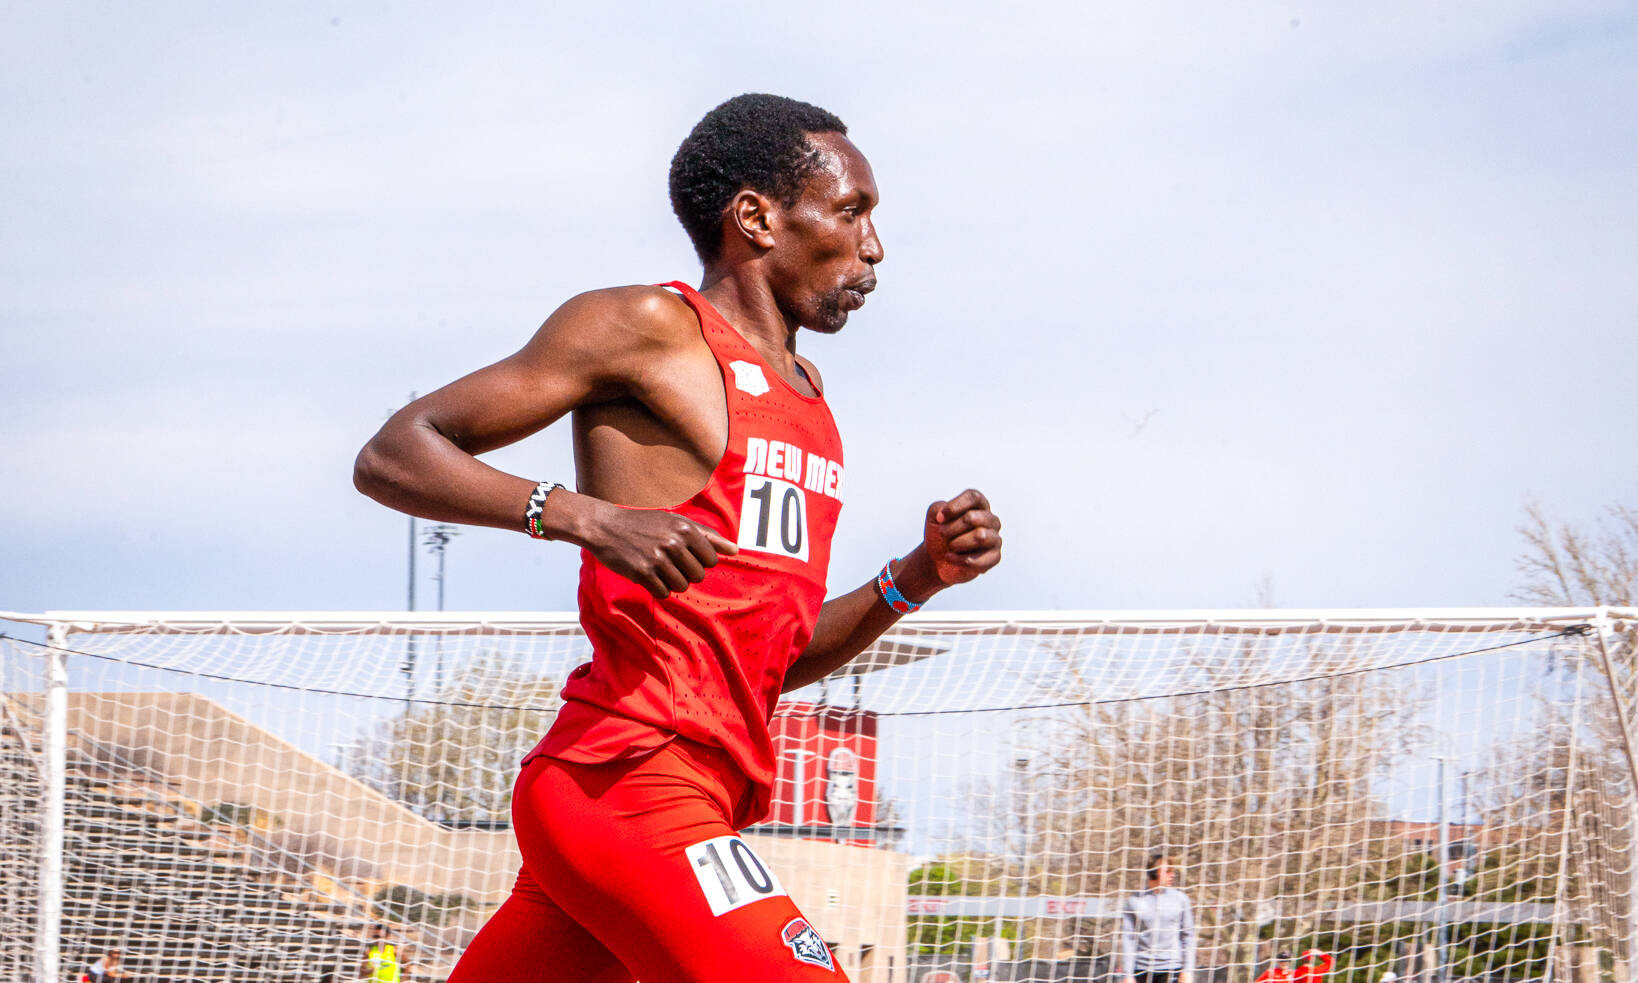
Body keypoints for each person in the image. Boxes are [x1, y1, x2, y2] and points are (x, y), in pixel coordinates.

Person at [354, 93, 1003, 983]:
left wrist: (916, 577)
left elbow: (768, 660)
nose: (874, 246)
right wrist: (588, 517)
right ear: (756, 218)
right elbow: (394, 452)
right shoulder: (647, 327)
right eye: (851, 211)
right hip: (628, 780)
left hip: (684, 795)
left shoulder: (809, 399)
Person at [1118, 853, 1196, 983]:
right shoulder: (1134, 901)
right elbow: (1128, 939)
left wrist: (1188, 970)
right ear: (1154, 873)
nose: (1173, 875)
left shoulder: (1181, 899)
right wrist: (1127, 974)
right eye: (1168, 871)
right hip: (1141, 968)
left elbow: (1188, 936)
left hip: (1172, 967)